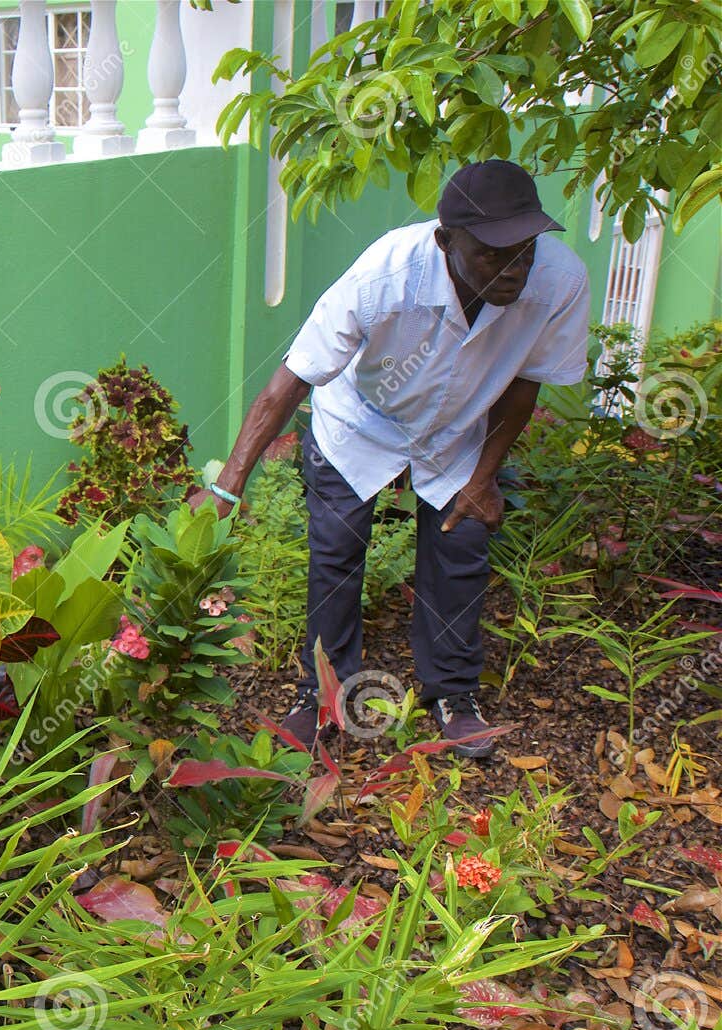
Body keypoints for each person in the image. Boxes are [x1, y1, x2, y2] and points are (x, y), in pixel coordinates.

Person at [193, 160, 589, 757]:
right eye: (492, 254)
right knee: (336, 554)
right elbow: (291, 381)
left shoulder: (560, 281)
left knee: (460, 553)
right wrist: (227, 487)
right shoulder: (386, 273)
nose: (514, 269)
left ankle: (454, 695)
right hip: (358, 424)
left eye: (526, 250)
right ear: (445, 239)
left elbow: (526, 384)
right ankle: (322, 692)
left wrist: (484, 477)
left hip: (458, 434)